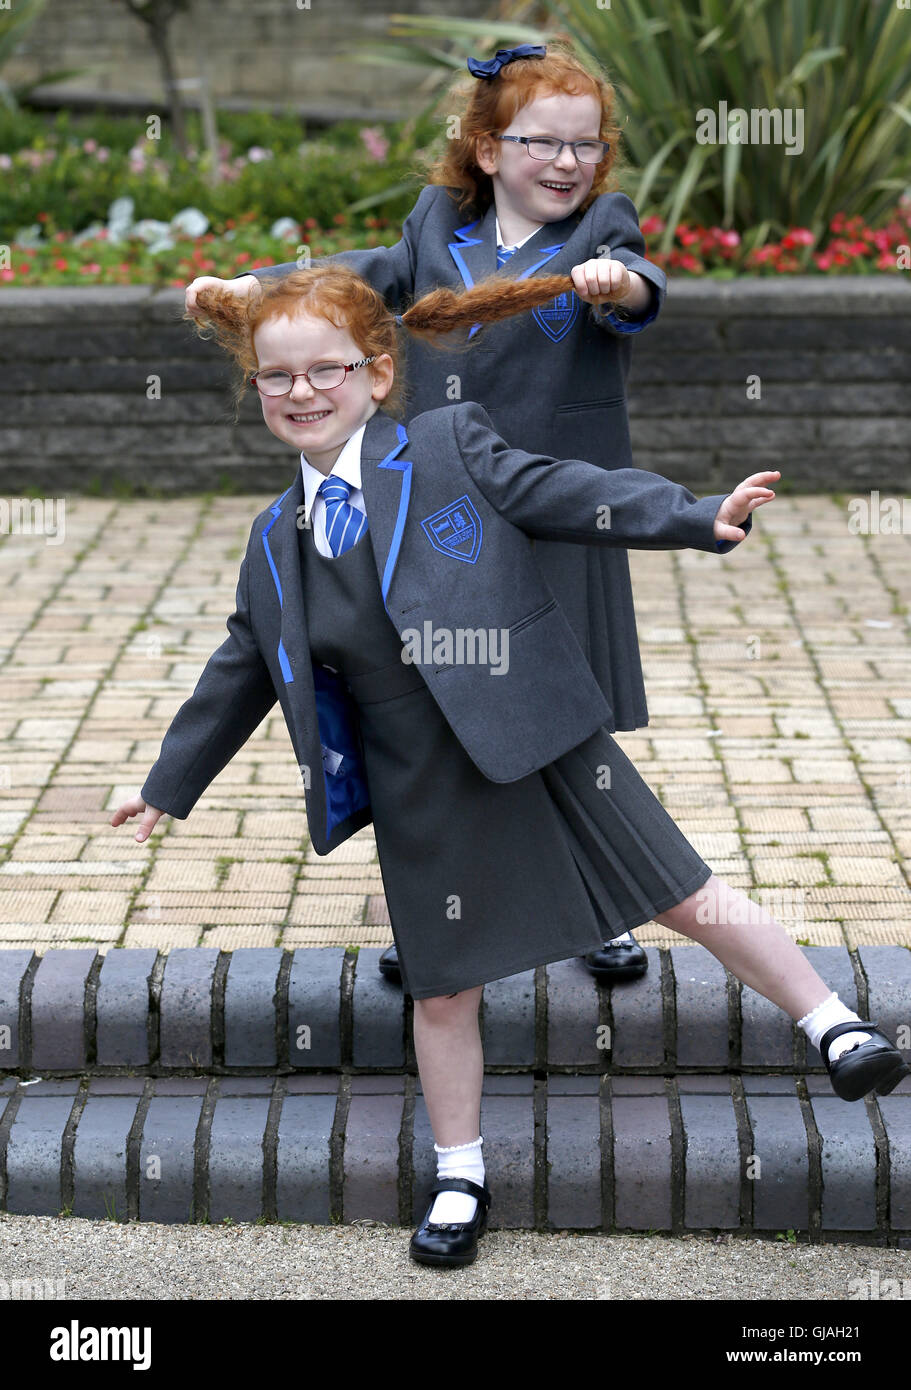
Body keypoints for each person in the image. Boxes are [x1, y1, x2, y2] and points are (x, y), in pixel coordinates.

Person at [111, 265, 909, 1266]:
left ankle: (833, 1024)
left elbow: (565, 491)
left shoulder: (446, 445)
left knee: (678, 888)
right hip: (414, 775)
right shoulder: (275, 539)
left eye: (326, 369)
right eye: (278, 377)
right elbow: (241, 667)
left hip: (533, 727)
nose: (302, 392)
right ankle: (460, 1174)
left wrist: (690, 514)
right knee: (443, 987)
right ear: (256, 388)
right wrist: (168, 783)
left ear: (377, 372)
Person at [183, 40, 669, 988]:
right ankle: (439, 923)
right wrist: (259, 288)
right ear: (486, 149)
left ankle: (599, 911)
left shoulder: (600, 230)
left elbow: (640, 282)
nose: (567, 161)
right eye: (541, 142)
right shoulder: (436, 225)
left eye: (585, 145)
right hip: (443, 503)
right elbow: (364, 275)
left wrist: (619, 284)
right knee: (437, 703)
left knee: (563, 704)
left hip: (554, 503)